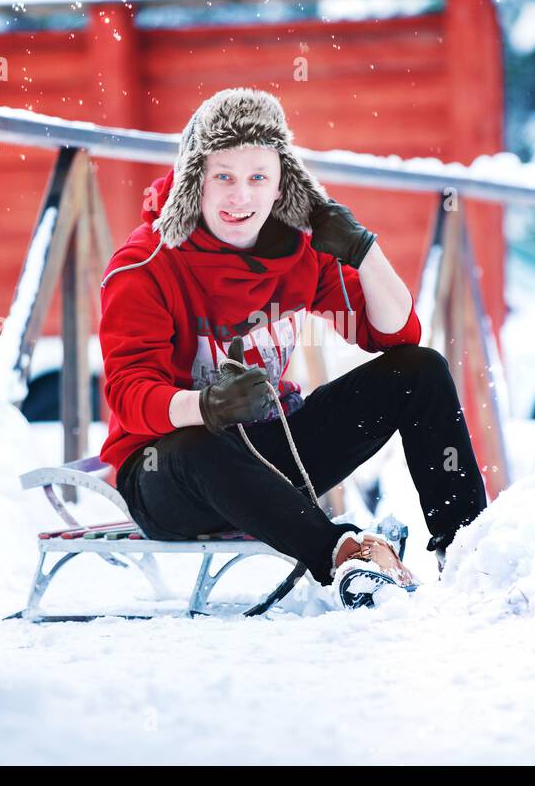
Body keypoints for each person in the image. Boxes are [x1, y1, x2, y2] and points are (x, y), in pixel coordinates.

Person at [97, 87, 488, 607]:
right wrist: (207, 407)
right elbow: (127, 394)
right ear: (195, 180)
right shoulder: (144, 266)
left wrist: (364, 252)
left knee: (420, 371)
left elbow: (395, 336)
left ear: (283, 181)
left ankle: (469, 552)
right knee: (197, 444)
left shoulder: (298, 250)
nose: (242, 197)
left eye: (259, 176)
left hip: (271, 454)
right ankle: (344, 556)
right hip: (168, 478)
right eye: (224, 177)